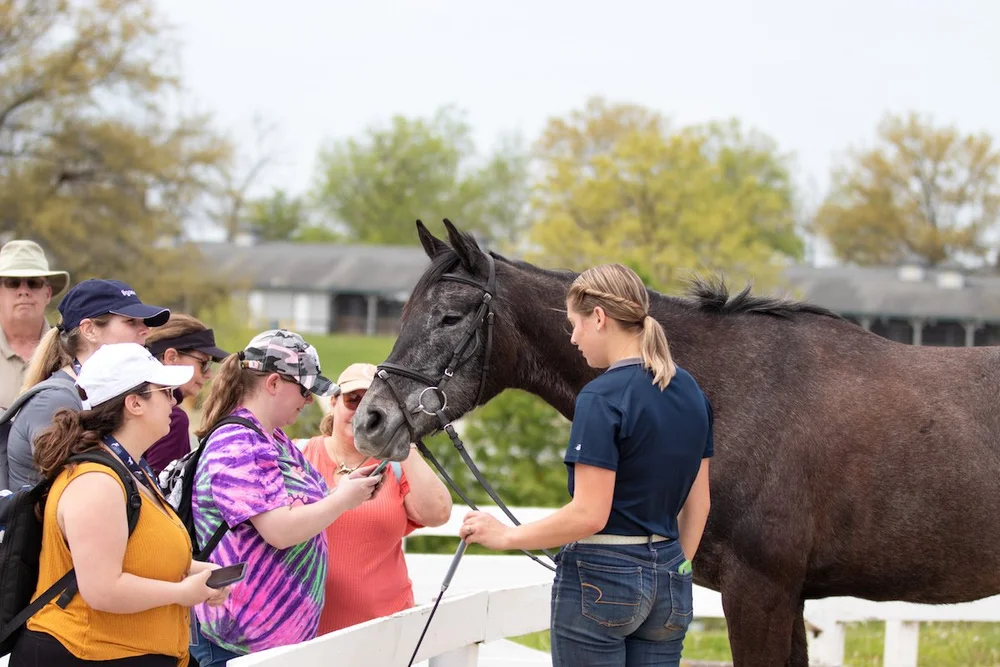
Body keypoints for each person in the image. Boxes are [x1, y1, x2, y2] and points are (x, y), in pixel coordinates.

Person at [460, 263, 714, 667]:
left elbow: (590, 514)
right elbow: (698, 505)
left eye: (575, 324)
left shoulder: (600, 397)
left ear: (599, 318)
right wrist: (676, 568)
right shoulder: (690, 392)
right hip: (670, 577)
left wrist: (505, 536)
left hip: (602, 579)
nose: (574, 338)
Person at [10, 343, 230, 667]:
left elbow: (139, 556)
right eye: (166, 391)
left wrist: (198, 571)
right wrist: (182, 593)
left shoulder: (128, 470)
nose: (174, 399)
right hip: (87, 654)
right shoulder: (96, 482)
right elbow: (102, 589)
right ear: (134, 403)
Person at [189, 330, 382, 666]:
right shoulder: (237, 443)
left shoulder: (272, 438)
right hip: (238, 643)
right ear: (274, 383)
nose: (308, 401)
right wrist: (342, 500)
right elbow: (279, 531)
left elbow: (294, 513)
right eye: (305, 390)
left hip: (272, 641)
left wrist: (342, 492)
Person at [302, 362, 452, 634]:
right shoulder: (299, 456)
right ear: (333, 403)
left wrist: (404, 442)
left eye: (374, 402)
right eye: (352, 400)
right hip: (306, 632)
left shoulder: (394, 465)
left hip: (384, 631)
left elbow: (437, 513)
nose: (361, 410)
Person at [3, 279, 169, 490]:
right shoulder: (56, 401)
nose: (145, 329)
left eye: (143, 322)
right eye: (131, 322)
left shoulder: (97, 392)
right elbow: (75, 495)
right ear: (89, 329)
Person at [143, 315, 229, 474]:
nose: (208, 374)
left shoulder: (132, 402)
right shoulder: (171, 418)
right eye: (203, 363)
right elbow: (163, 493)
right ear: (171, 357)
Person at [0, 240, 70, 411]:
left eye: (33, 283)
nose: (23, 291)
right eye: (12, 283)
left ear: (47, 293)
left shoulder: (71, 350)